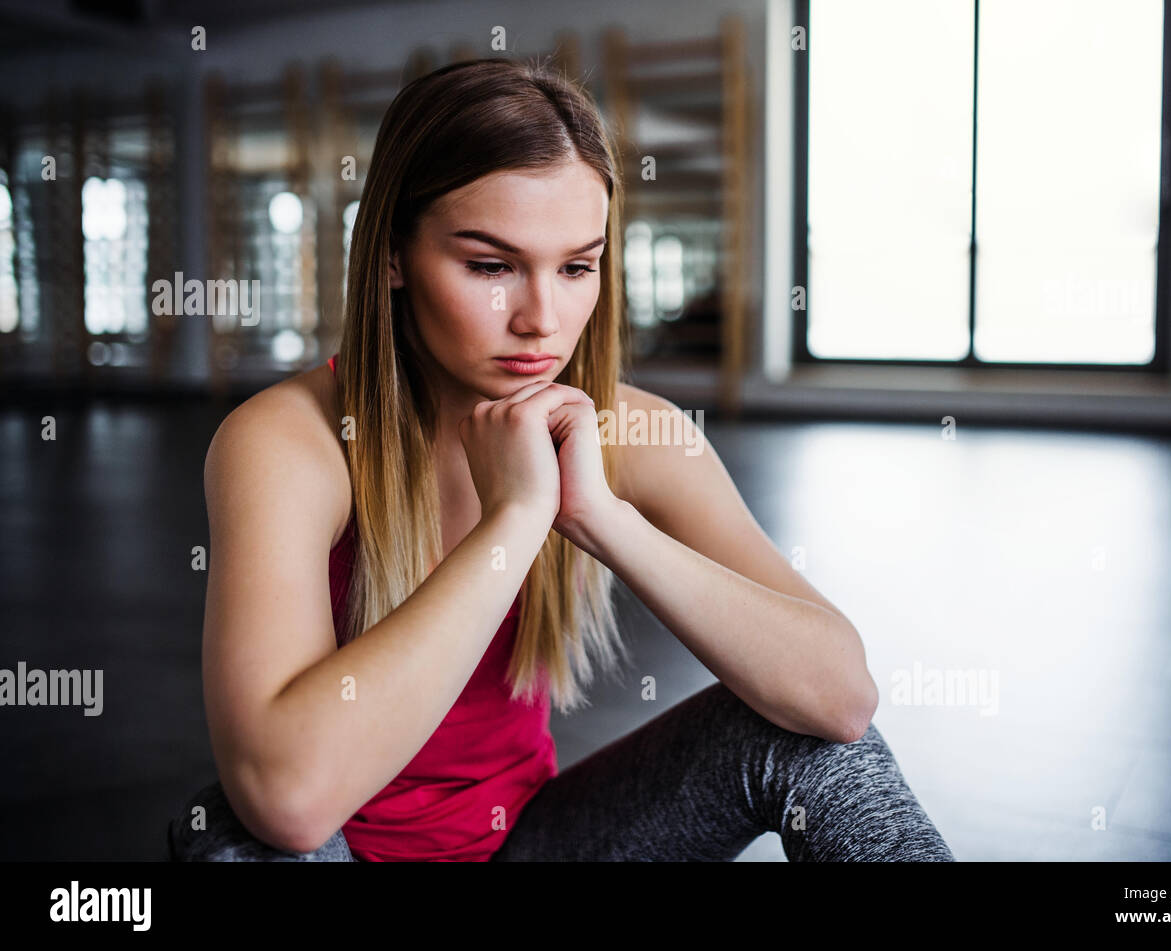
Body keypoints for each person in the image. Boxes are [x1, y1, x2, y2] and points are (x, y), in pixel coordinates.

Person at [167, 56, 953, 862]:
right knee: (238, 841)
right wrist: (512, 520)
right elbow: (288, 799)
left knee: (809, 741)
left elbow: (843, 698)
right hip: (343, 851)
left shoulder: (630, 430)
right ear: (394, 257)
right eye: (491, 266)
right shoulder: (288, 441)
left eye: (577, 266)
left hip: (531, 847)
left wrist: (601, 517)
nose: (542, 318)